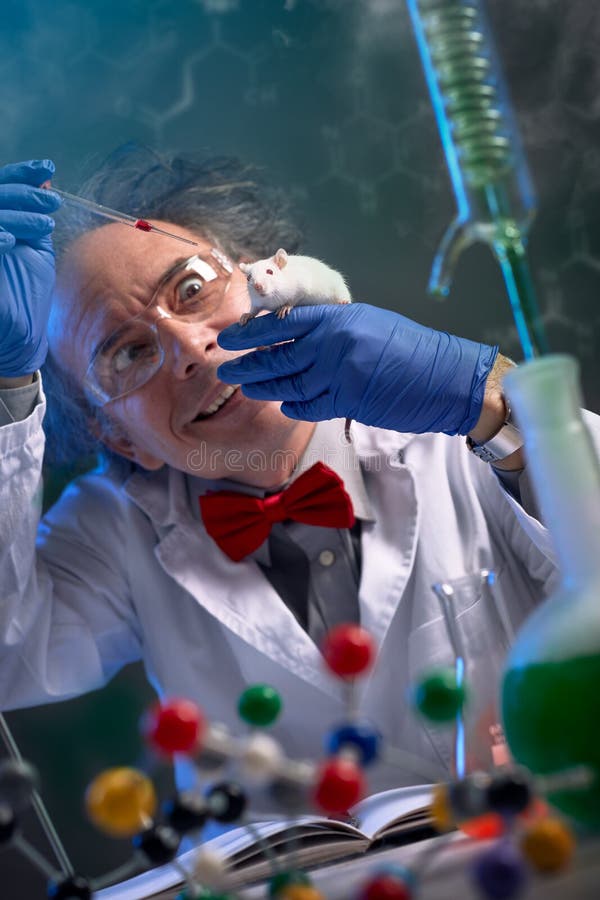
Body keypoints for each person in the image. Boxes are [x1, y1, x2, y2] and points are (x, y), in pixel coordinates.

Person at [0, 149, 593, 797]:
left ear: (269, 281)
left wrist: (487, 404)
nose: (191, 350)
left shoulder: (444, 432)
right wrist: (5, 385)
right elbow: (10, 657)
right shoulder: (114, 526)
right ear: (118, 435)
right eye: (130, 351)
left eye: (192, 290)